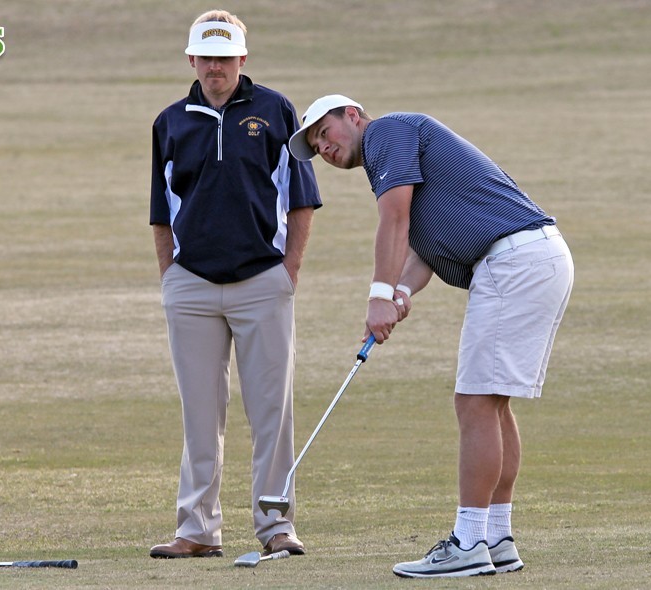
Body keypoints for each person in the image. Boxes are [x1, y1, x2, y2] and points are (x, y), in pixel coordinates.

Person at [288, 95, 573, 577]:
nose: (324, 147)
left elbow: (394, 219)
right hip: (531, 259)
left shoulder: (388, 133)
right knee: (492, 402)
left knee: (475, 402)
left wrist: (378, 295)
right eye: (316, 145)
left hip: (514, 262)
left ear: (353, 115)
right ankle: (496, 537)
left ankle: (467, 543)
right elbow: (422, 249)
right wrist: (399, 292)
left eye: (325, 132)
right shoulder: (390, 160)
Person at [148, 11, 321, 559]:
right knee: (200, 412)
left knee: (272, 410)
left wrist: (288, 269)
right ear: (191, 59)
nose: (216, 66)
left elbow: (301, 197)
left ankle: (276, 527)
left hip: (261, 281)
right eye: (207, 56)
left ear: (242, 59)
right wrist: (170, 275)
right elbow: (160, 211)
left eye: (226, 57)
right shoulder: (170, 122)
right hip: (191, 285)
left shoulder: (275, 111)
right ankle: (197, 530)